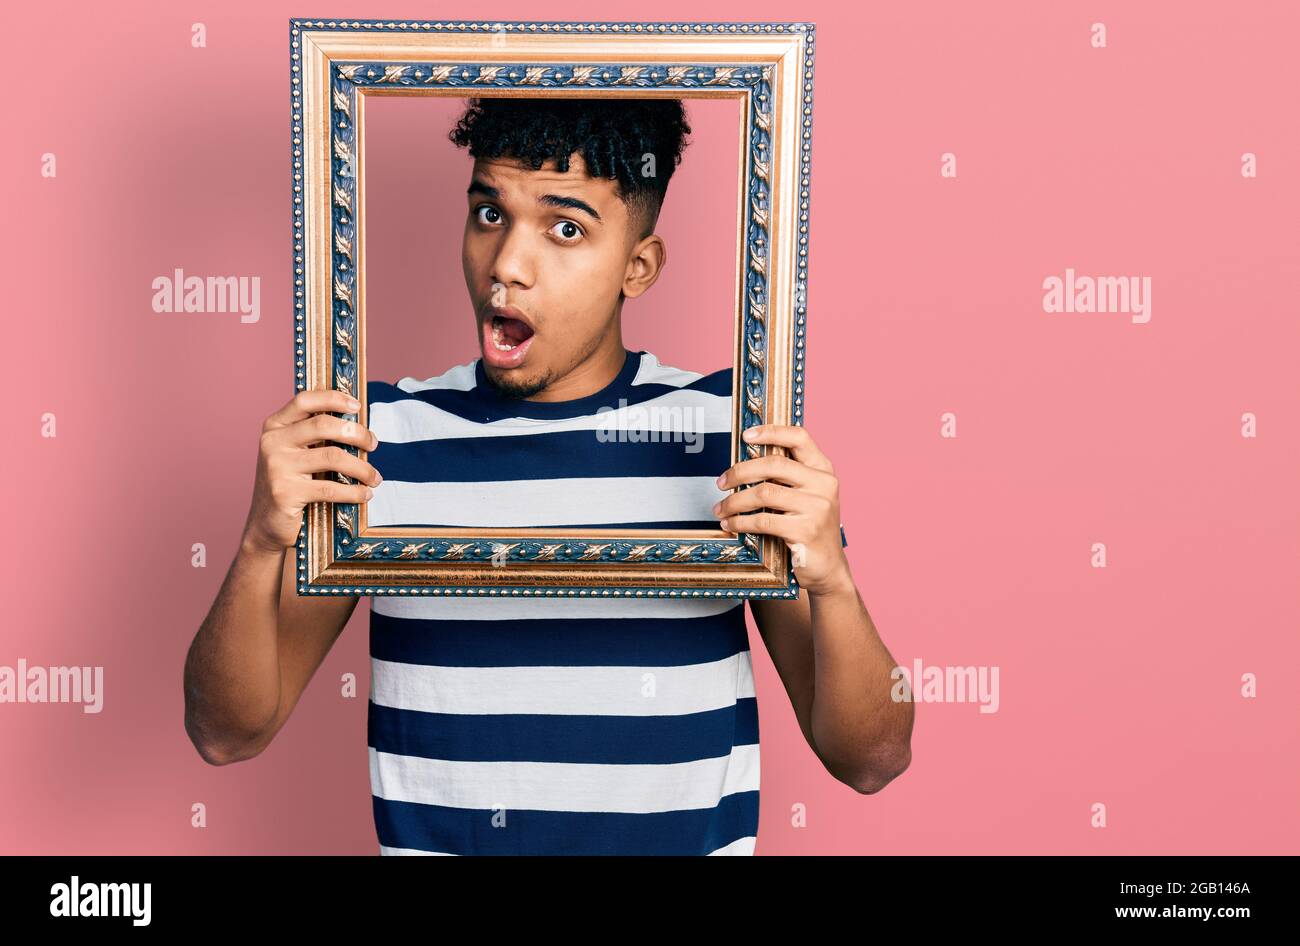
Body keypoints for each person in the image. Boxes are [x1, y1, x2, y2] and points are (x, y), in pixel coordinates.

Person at [184, 97, 912, 855]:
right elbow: (227, 734)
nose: (506, 267)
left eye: (565, 229)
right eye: (489, 215)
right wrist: (261, 542)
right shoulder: (378, 439)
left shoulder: (728, 434)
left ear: (638, 266)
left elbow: (871, 759)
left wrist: (830, 578)